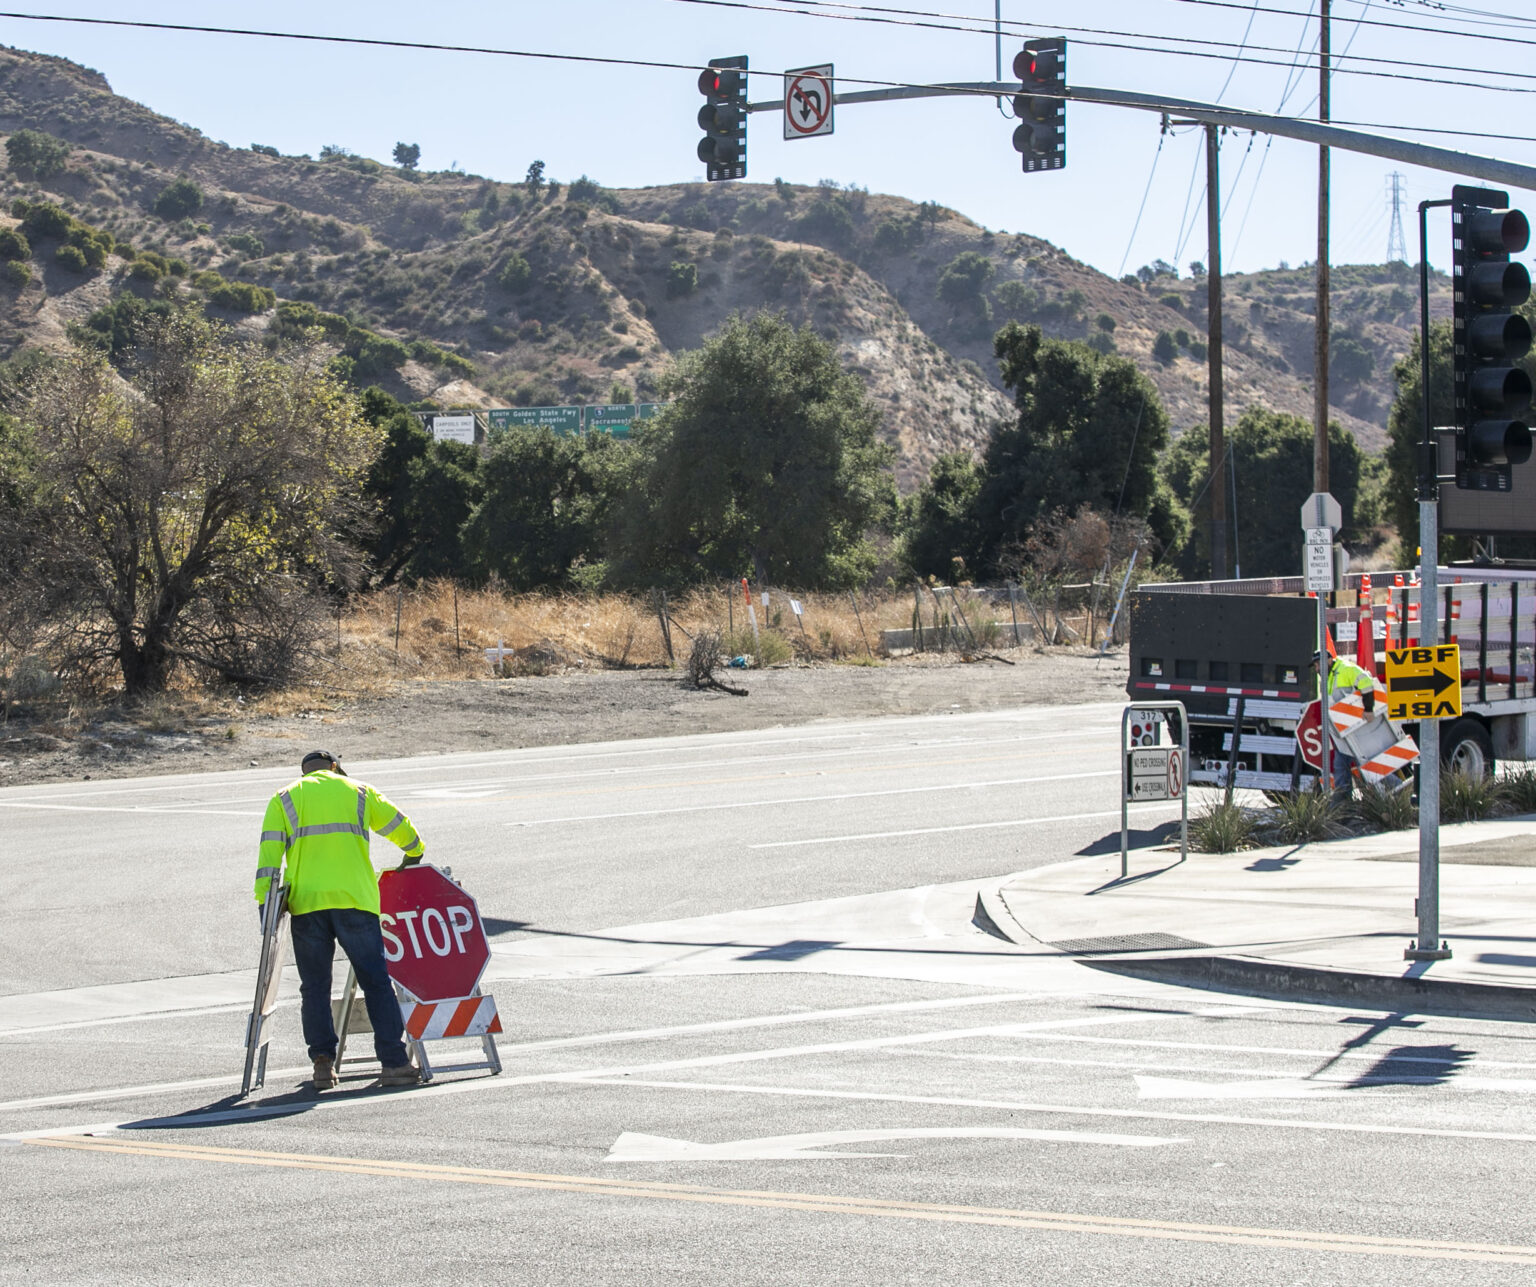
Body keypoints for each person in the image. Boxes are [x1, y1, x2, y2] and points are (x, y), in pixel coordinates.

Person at [254, 750, 425, 1090]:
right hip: (355, 900)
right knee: (375, 980)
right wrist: (414, 850)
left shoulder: (284, 798)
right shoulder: (358, 791)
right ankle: (393, 1061)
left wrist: (265, 906)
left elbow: (269, 859)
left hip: (308, 904)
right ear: (334, 767)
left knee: (314, 986)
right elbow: (398, 824)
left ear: (304, 773)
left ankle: (323, 1064)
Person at [1311, 649, 1376, 799]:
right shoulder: (1330, 676)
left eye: (1317, 665)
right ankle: (1344, 806)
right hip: (1344, 731)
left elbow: (1366, 684)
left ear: (1327, 661)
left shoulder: (1346, 669)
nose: (1317, 670)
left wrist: (1368, 709)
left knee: (1361, 765)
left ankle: (1343, 806)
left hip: (1358, 729)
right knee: (1343, 766)